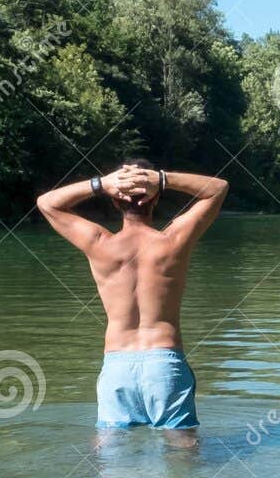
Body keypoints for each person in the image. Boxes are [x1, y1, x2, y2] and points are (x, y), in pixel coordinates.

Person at [36, 161, 228, 430]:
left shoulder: (99, 243)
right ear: (156, 197)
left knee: (113, 459)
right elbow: (218, 188)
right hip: (164, 364)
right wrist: (162, 179)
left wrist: (101, 184)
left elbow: (47, 203)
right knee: (182, 457)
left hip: (117, 368)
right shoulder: (173, 241)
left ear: (115, 201)